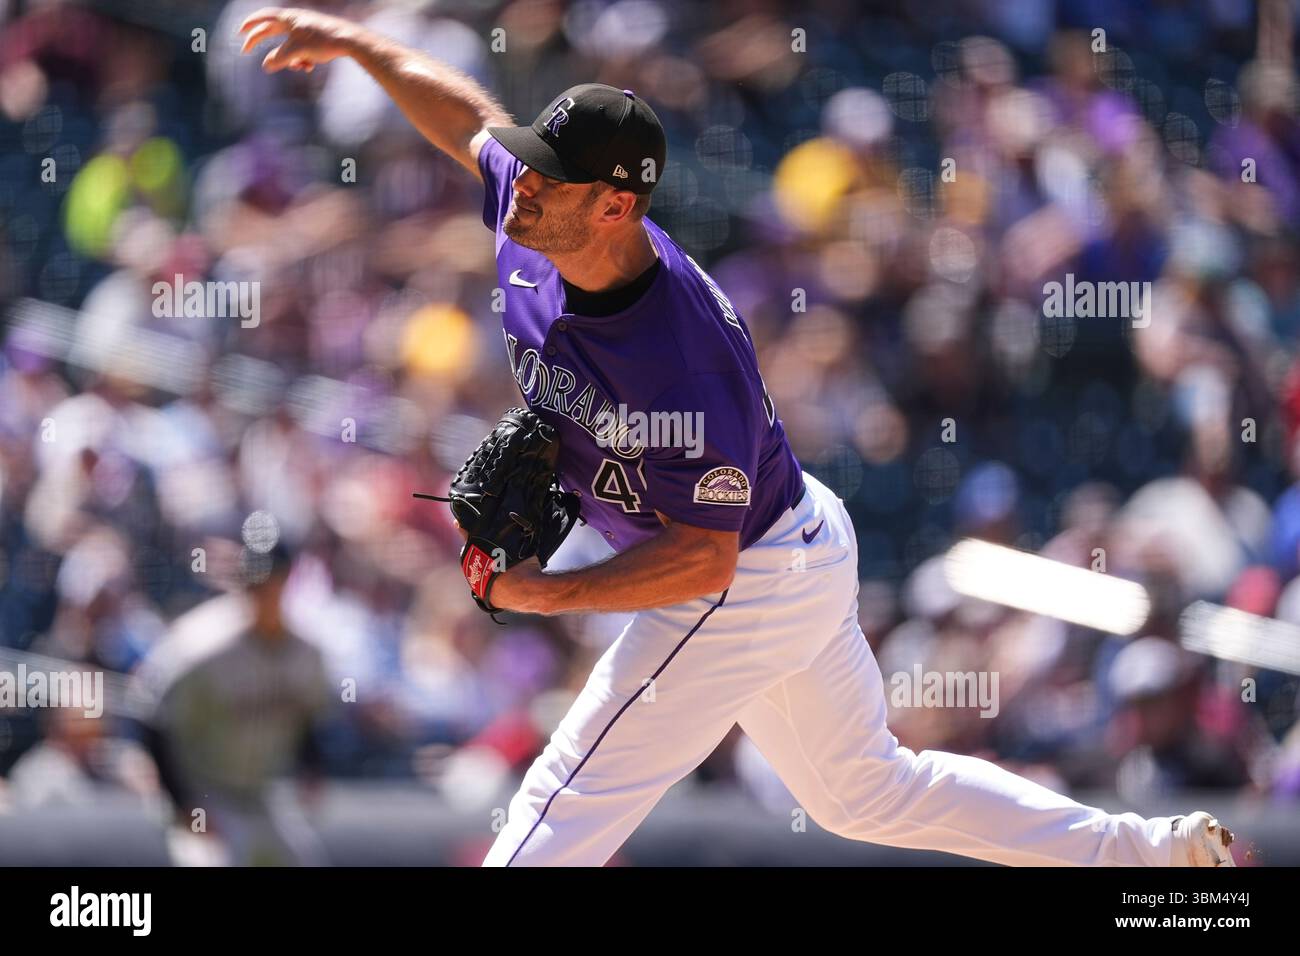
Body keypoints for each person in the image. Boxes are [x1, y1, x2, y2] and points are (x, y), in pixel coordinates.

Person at [238, 7, 1238, 867]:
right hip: (792, 537)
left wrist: (547, 592)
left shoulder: (680, 352)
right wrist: (359, 44)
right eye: (528, 173)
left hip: (742, 571)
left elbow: (702, 554)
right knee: (864, 793)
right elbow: (470, 120)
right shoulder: (540, 209)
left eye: (549, 182)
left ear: (617, 203)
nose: (519, 189)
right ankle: (1139, 853)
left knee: (563, 793)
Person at [135, 540, 332, 865]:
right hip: (202, 793)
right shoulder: (200, 643)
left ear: (287, 581)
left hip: (260, 793)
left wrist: (310, 766)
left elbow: (307, 716)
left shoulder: (305, 650)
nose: (261, 591)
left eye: (270, 581)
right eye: (254, 581)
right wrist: (182, 803)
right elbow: (151, 715)